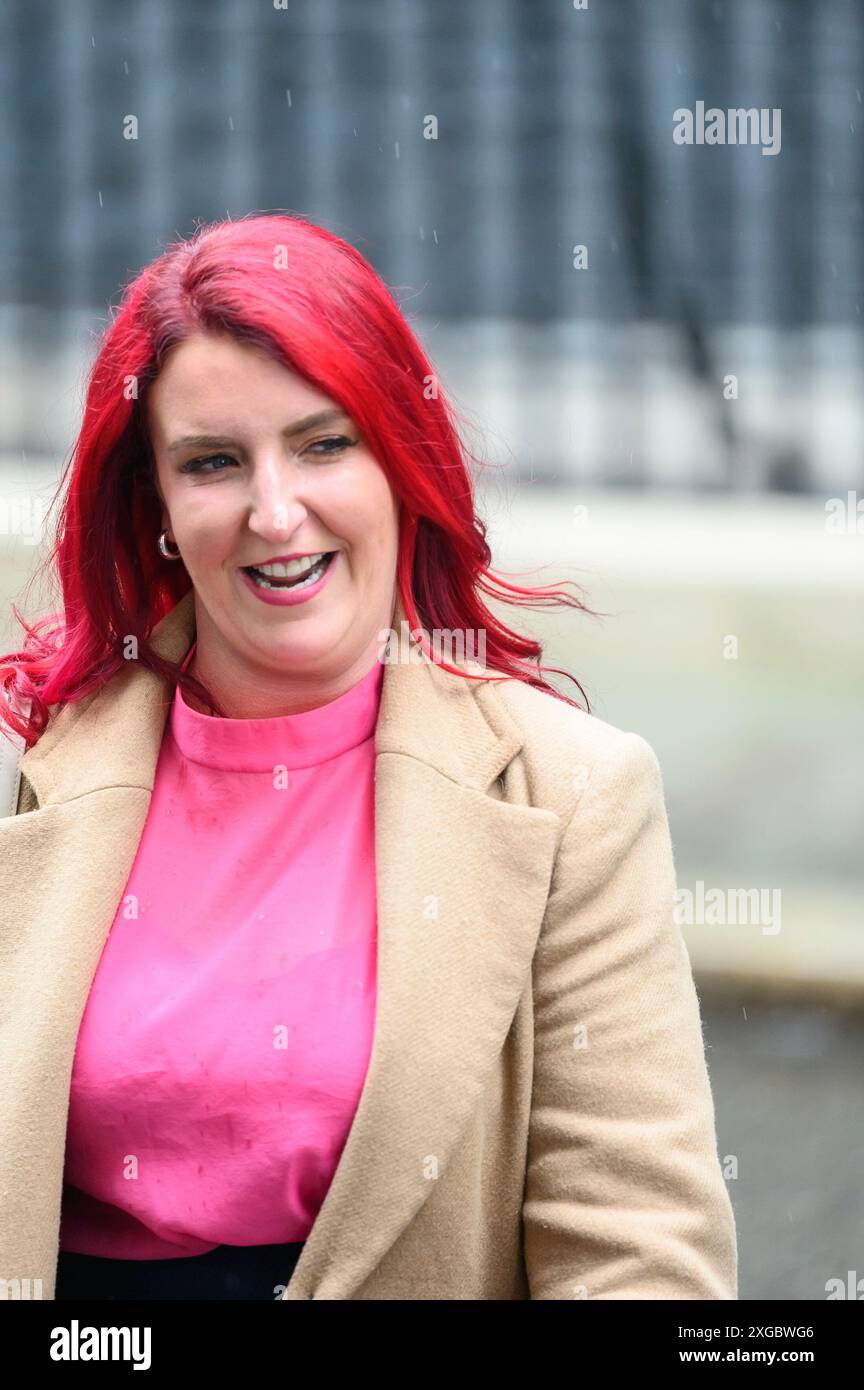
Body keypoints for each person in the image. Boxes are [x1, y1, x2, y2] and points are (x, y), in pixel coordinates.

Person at [0, 212, 737, 1301]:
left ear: (400, 455)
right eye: (213, 462)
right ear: (155, 505)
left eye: (323, 442)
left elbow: (638, 1254)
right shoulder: (34, 765)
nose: (274, 510)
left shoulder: (574, 792)